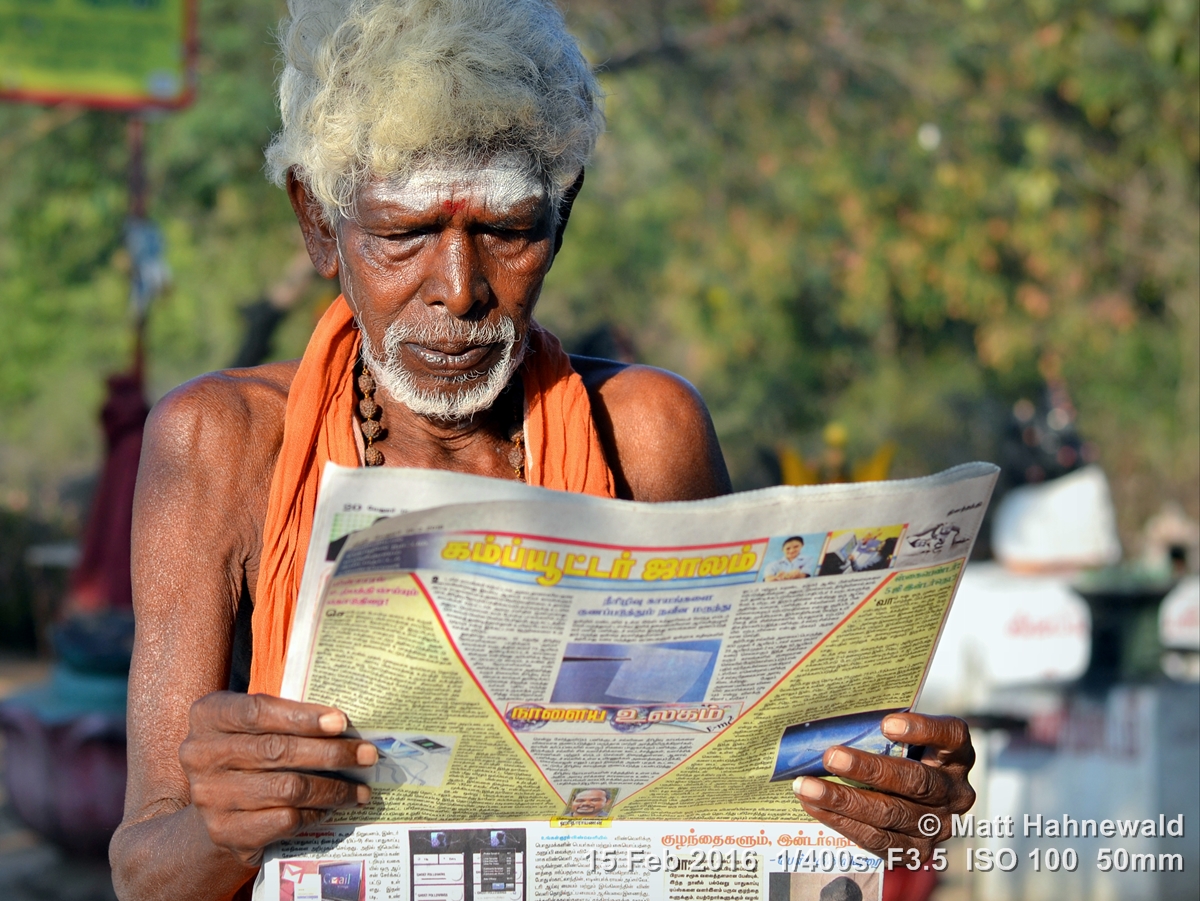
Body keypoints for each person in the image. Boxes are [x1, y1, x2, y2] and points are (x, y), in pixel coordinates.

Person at [108, 2, 975, 898]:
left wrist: (881, 806)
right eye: (403, 233)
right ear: (321, 225)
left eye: (507, 231)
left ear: (563, 215)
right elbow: (143, 870)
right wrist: (227, 824)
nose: (458, 289)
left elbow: (734, 811)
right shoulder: (220, 443)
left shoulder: (645, 432)